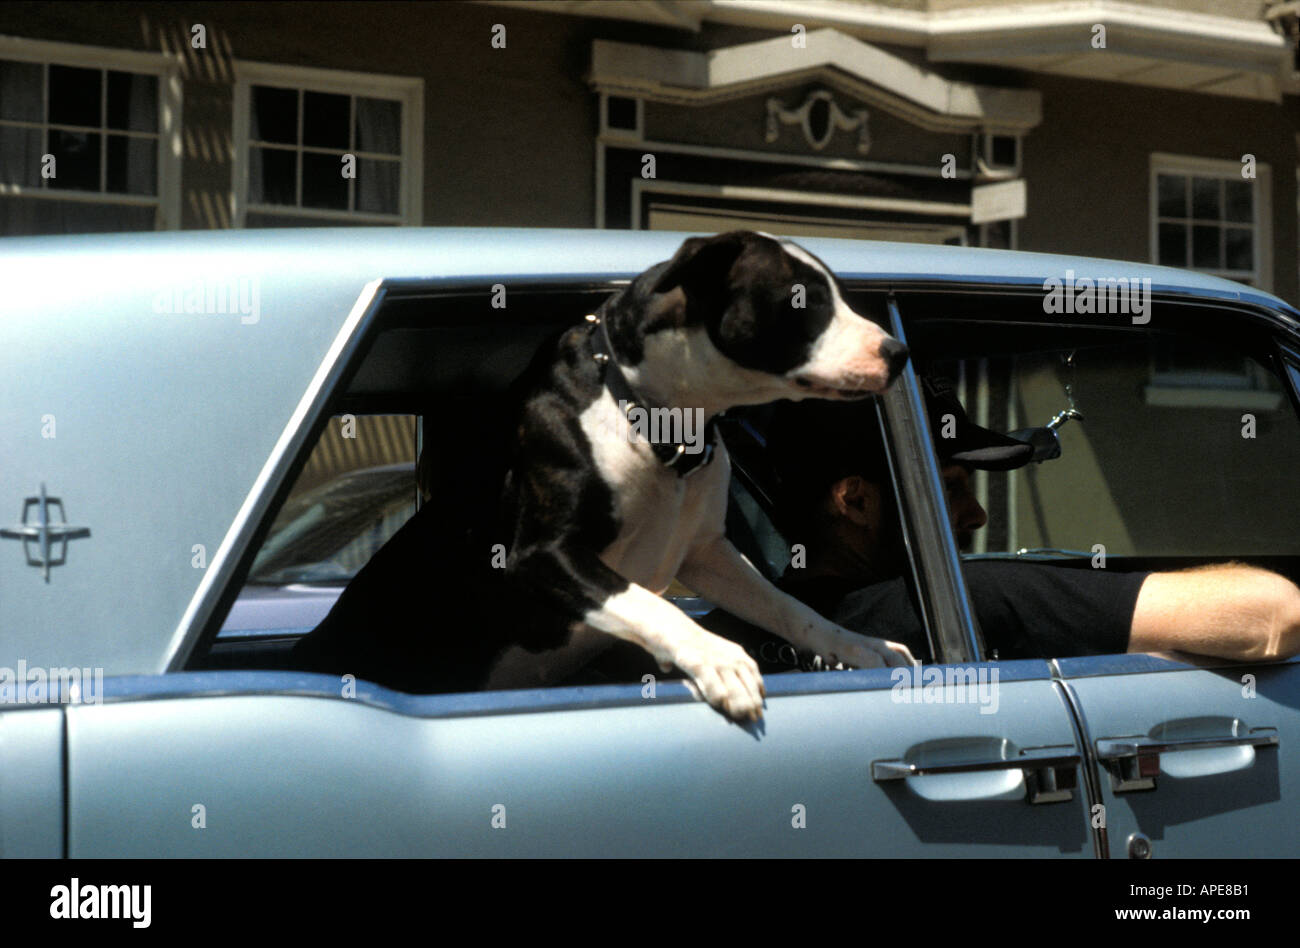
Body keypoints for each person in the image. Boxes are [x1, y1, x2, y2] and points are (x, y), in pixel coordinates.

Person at [760, 377, 1300, 666]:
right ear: (855, 502)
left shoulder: (739, 629)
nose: (978, 515)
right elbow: (1275, 618)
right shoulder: (968, 599)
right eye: (949, 488)